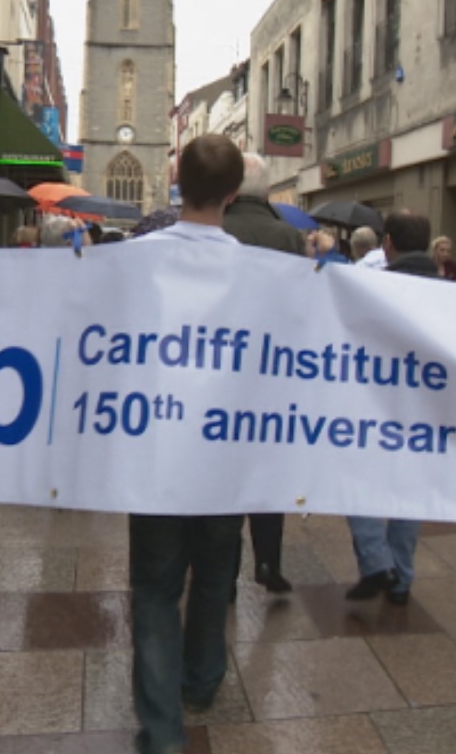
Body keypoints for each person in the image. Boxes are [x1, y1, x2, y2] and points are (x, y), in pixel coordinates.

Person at [127, 133, 247, 754]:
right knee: (214, 576)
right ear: (234, 193)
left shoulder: (135, 258)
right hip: (224, 458)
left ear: (177, 183)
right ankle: (201, 682)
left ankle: (161, 729)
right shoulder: (257, 270)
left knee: (154, 588)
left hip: (154, 453)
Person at [221, 152, 307, 596]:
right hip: (273, 372)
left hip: (220, 374)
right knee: (268, 470)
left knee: (224, 473)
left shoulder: (215, 230)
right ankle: (268, 561)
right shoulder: (288, 237)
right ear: (267, 191)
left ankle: (224, 572)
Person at [344, 208, 437, 607]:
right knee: (409, 490)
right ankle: (401, 576)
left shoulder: (375, 290)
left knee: (354, 481)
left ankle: (376, 560)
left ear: (388, 244)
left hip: (377, 404)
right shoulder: (453, 291)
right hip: (427, 408)